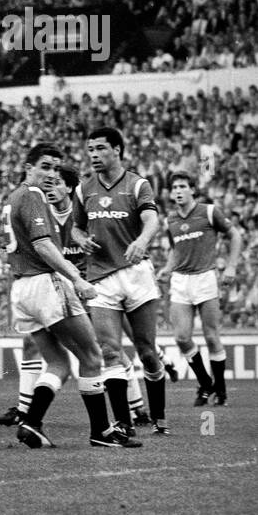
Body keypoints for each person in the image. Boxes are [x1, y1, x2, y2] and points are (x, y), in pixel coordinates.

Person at [4, 145, 139, 449]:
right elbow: (43, 245)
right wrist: (77, 279)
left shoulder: (13, 197)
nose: (51, 174)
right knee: (92, 356)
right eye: (45, 167)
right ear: (29, 167)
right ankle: (102, 431)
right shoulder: (33, 196)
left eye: (56, 168)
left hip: (21, 290)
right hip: (43, 285)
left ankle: (31, 423)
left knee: (58, 364)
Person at [72, 127, 169, 435]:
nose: (94, 155)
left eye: (100, 148)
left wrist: (142, 241)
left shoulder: (137, 184)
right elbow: (75, 227)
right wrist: (82, 238)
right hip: (101, 277)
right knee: (110, 351)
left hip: (136, 273)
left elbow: (152, 219)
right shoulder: (83, 189)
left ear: (117, 149)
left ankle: (160, 418)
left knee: (147, 351)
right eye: (90, 150)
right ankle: (124, 424)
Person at [158, 172, 242, 407]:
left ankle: (221, 391)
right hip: (180, 281)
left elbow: (234, 235)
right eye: (174, 187)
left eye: (183, 186)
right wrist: (167, 268)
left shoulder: (208, 211)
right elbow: (176, 250)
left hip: (205, 278)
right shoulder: (170, 220)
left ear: (193, 190)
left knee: (211, 337)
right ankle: (206, 383)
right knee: (182, 337)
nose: (177, 191)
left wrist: (232, 267)